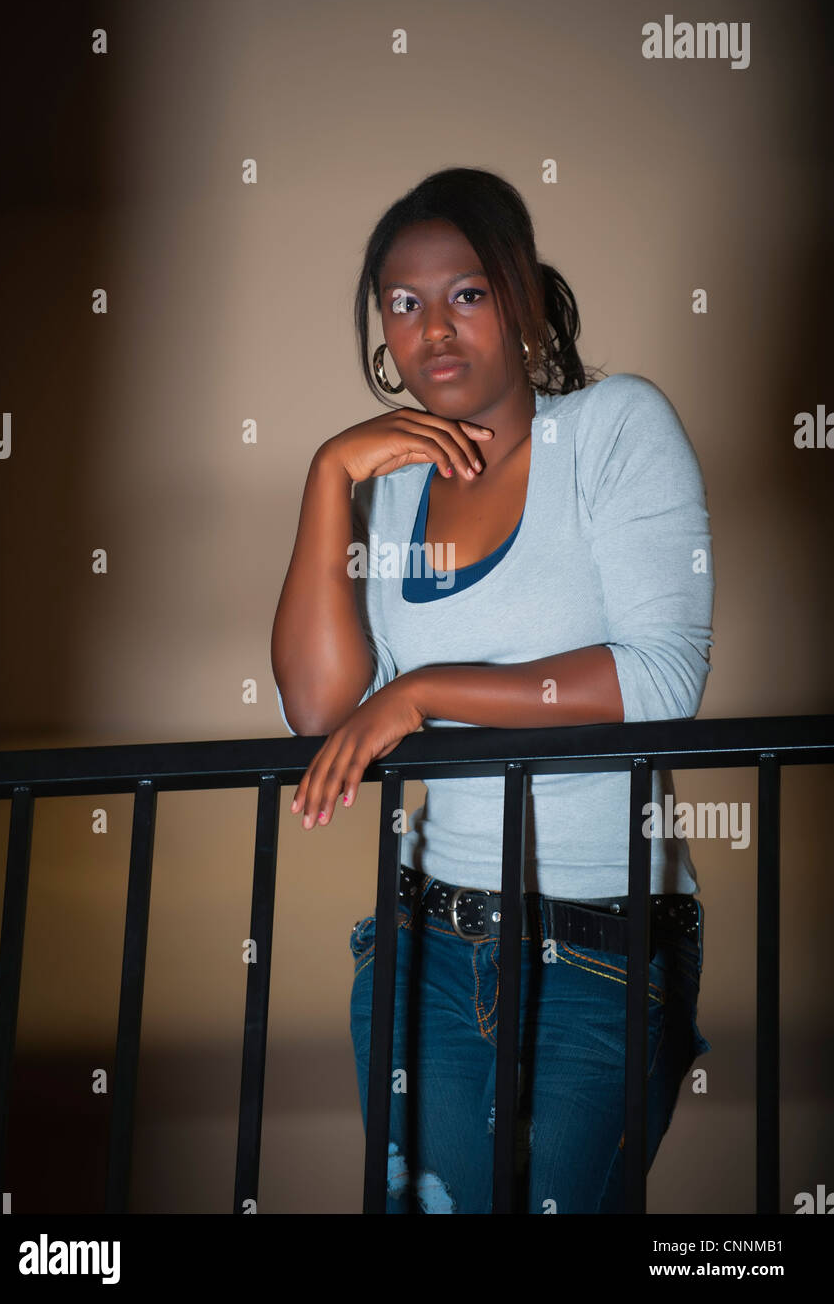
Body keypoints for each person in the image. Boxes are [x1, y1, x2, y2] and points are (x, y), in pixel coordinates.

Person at [271, 166, 714, 1214]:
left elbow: (660, 678)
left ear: (520, 297)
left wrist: (424, 689)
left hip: (599, 946)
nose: (434, 329)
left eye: (465, 293)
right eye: (403, 303)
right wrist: (327, 477)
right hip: (423, 942)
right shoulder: (384, 494)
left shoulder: (613, 427)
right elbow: (321, 707)